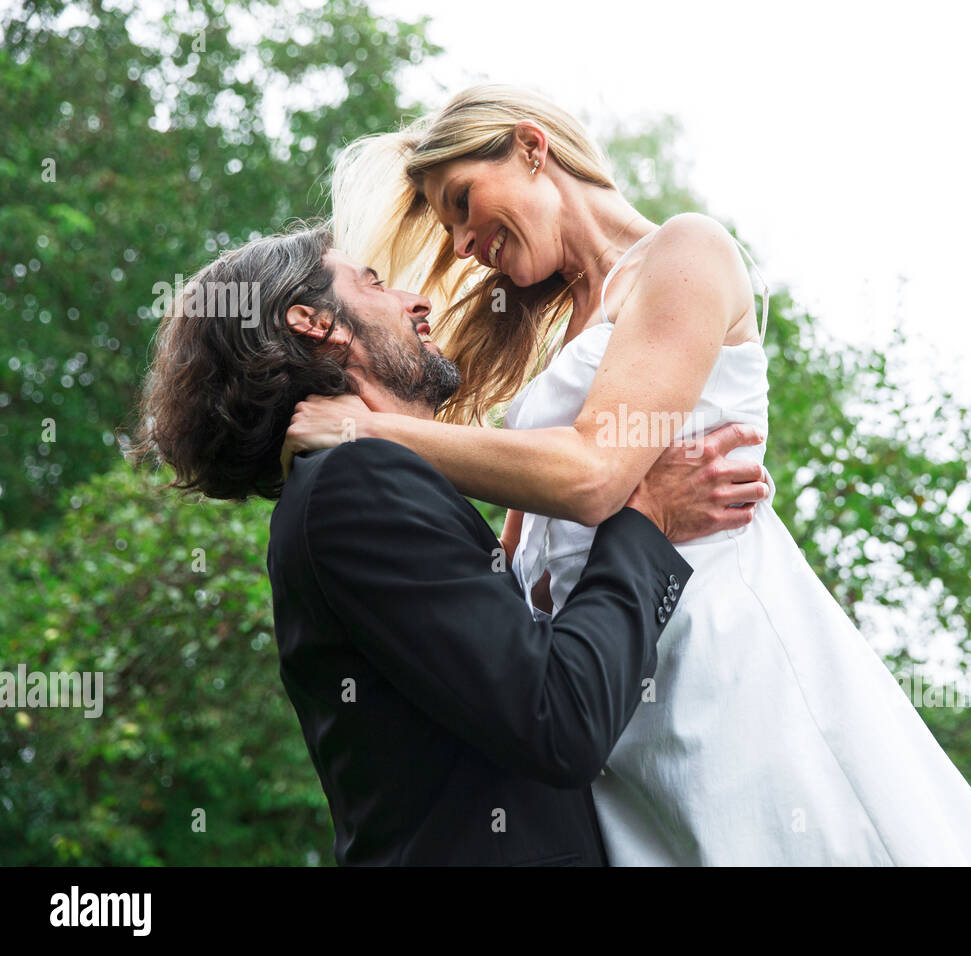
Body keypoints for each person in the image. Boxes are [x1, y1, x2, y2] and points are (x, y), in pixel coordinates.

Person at [284, 84, 971, 865]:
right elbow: (527, 537)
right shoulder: (559, 326)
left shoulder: (685, 253)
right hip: (615, 684)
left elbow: (593, 475)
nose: (465, 241)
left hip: (718, 656)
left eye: (464, 202)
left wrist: (371, 431)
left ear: (532, 148)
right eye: (451, 226)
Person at [131, 225, 771, 865]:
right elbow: (561, 719)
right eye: (373, 283)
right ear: (316, 322)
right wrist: (648, 519)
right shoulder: (354, 486)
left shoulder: (351, 490)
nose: (418, 301)